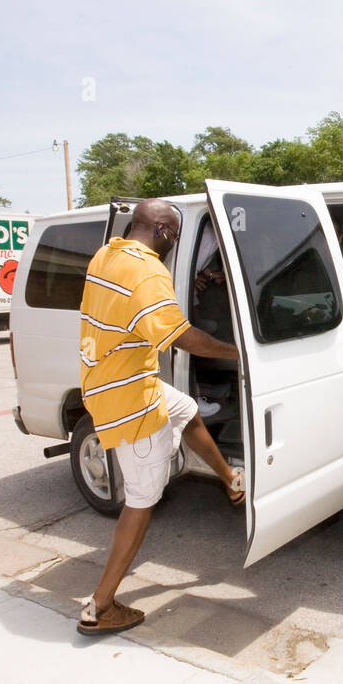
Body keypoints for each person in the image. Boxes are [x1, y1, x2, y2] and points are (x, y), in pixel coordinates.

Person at [76, 198, 243, 636]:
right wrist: (241, 353)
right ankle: (100, 606)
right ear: (166, 233)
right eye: (177, 238)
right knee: (141, 500)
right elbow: (185, 337)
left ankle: (230, 480)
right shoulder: (147, 271)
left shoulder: (108, 252)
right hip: (131, 401)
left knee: (187, 409)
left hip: (114, 379)